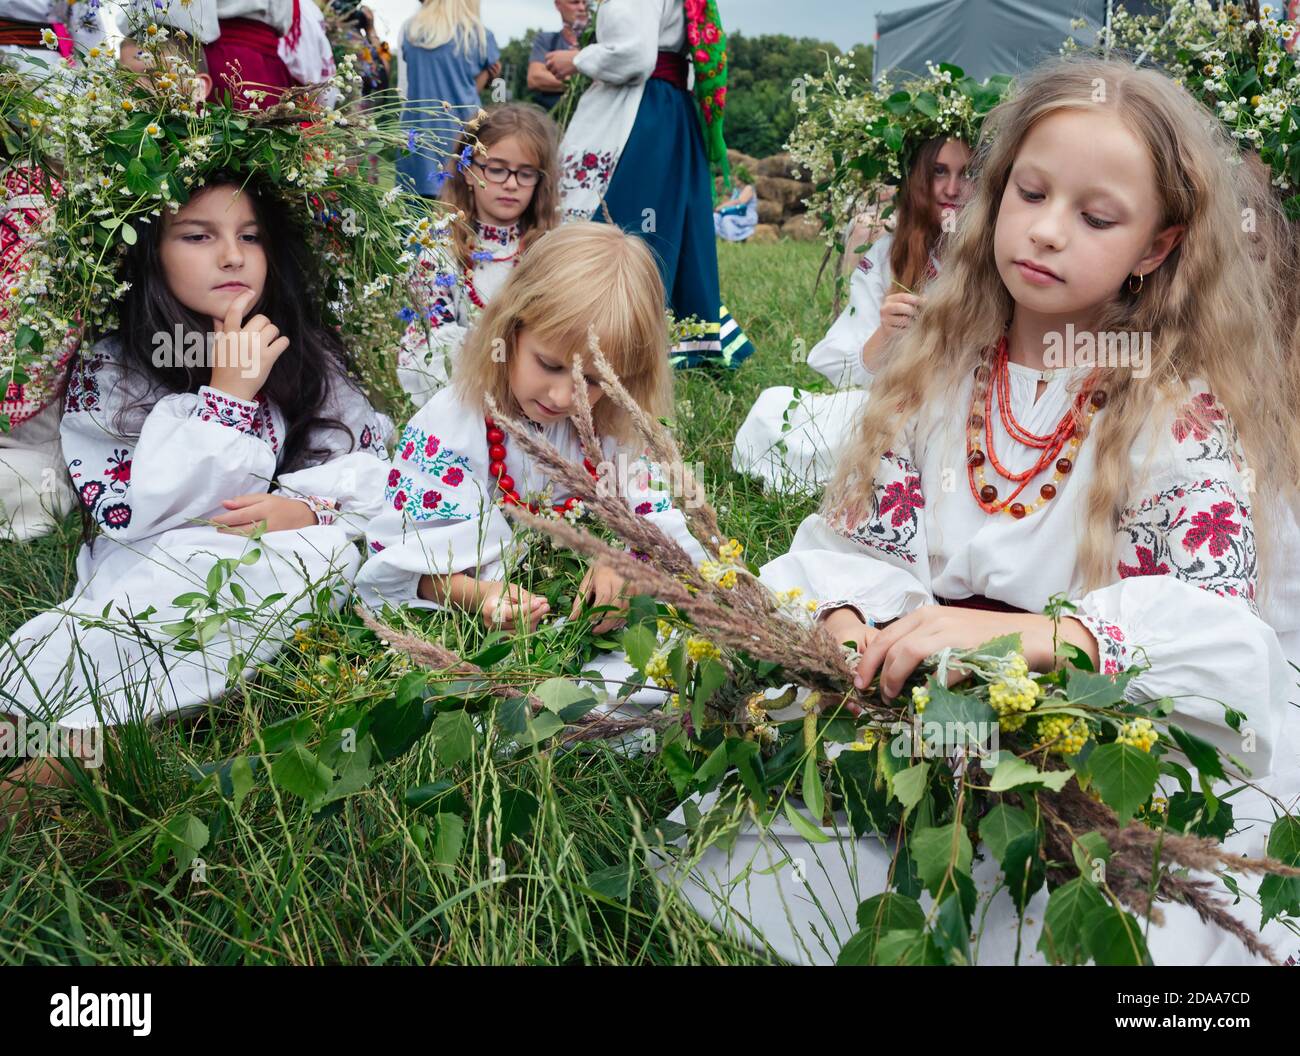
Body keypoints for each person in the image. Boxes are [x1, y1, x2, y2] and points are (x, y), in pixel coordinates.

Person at [659, 56, 1300, 966]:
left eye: (1096, 216)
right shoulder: (940, 374)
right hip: (932, 715)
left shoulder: (1172, 411)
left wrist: (1033, 639)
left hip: (1081, 731)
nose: (1044, 232)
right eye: (1029, 193)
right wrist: (846, 618)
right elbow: (857, 545)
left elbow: (1216, 638)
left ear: (1158, 246)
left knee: (1131, 922)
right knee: (775, 850)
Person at [1, 174, 391, 742]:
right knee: (187, 578)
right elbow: (142, 511)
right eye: (198, 237)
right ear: (151, 251)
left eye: (250, 237)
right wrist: (227, 397)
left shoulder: (301, 350)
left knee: (324, 555)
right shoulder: (116, 367)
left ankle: (90, 731)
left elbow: (368, 464)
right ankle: (68, 722)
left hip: (276, 554)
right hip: (157, 560)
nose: (233, 257)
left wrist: (306, 509)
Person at [357, 223, 706, 703]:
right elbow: (400, 567)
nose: (565, 396)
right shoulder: (452, 428)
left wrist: (624, 561)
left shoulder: (609, 427)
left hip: (573, 626)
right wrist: (476, 595)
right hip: (496, 639)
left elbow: (658, 518)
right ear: (509, 330)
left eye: (595, 380)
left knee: (674, 668)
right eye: (549, 364)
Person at [732, 137, 972, 493]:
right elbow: (843, 368)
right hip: (896, 403)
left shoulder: (993, 257)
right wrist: (887, 332)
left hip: (967, 407)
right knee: (775, 409)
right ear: (918, 178)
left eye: (965, 174)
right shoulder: (886, 256)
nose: (951, 188)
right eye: (939, 172)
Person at [556, 0, 750, 366]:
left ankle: (612, 339)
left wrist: (577, 60)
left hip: (639, 114)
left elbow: (635, 56)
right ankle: (676, 338)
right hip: (666, 109)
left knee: (619, 218)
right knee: (665, 223)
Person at [398, 102, 560, 408]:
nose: (511, 184)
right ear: (469, 171)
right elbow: (431, 348)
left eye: (526, 174)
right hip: (460, 400)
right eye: (497, 169)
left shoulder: (548, 255)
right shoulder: (442, 254)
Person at [396, 0, 500, 199]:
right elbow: (469, 89)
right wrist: (489, 74)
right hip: (460, 137)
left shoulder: (412, 33)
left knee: (412, 221)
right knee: (458, 217)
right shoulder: (479, 36)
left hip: (417, 137)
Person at [526, 0, 586, 112]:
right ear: (558, 4)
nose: (582, 8)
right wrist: (583, 78)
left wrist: (554, 76)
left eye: (585, 2)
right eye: (574, 2)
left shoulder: (598, 42)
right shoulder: (546, 40)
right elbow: (535, 78)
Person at [712, 168, 756, 242]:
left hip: (745, 215)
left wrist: (721, 207)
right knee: (715, 216)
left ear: (741, 179)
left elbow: (740, 202)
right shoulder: (736, 190)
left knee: (727, 219)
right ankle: (717, 238)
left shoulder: (748, 188)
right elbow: (732, 203)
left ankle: (731, 240)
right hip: (735, 212)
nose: (734, 180)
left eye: (736, 179)